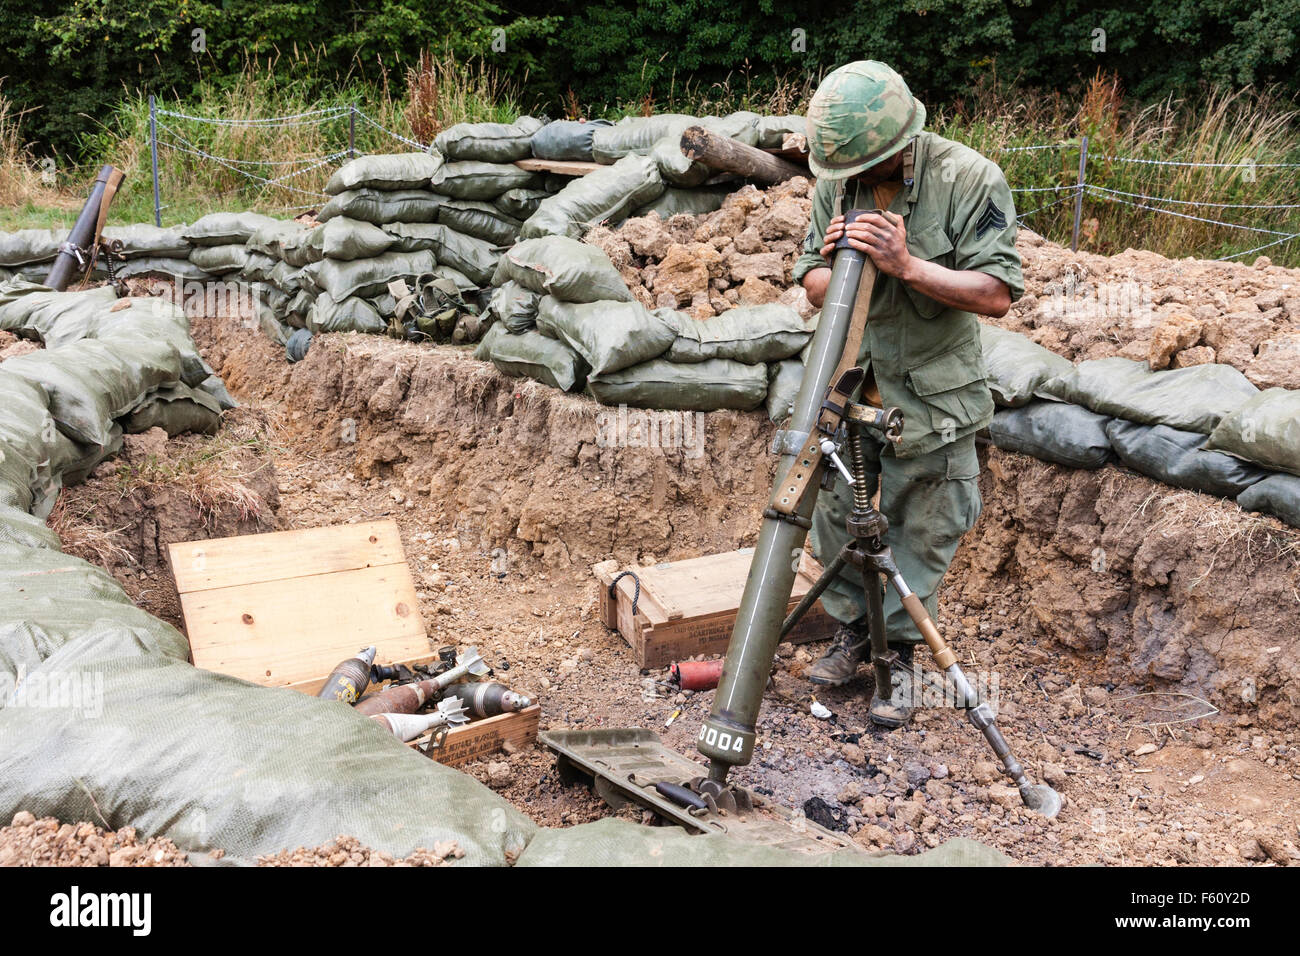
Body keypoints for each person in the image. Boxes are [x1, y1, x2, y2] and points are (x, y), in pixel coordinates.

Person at [790, 60, 1023, 728]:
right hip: (848, 380)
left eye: (870, 167)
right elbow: (808, 281)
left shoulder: (971, 179)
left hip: (930, 391)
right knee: (837, 508)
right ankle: (853, 634)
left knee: (924, 524)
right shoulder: (835, 184)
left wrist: (906, 265)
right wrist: (832, 268)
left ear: (901, 145)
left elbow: (997, 293)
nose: (858, 182)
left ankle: (900, 659)